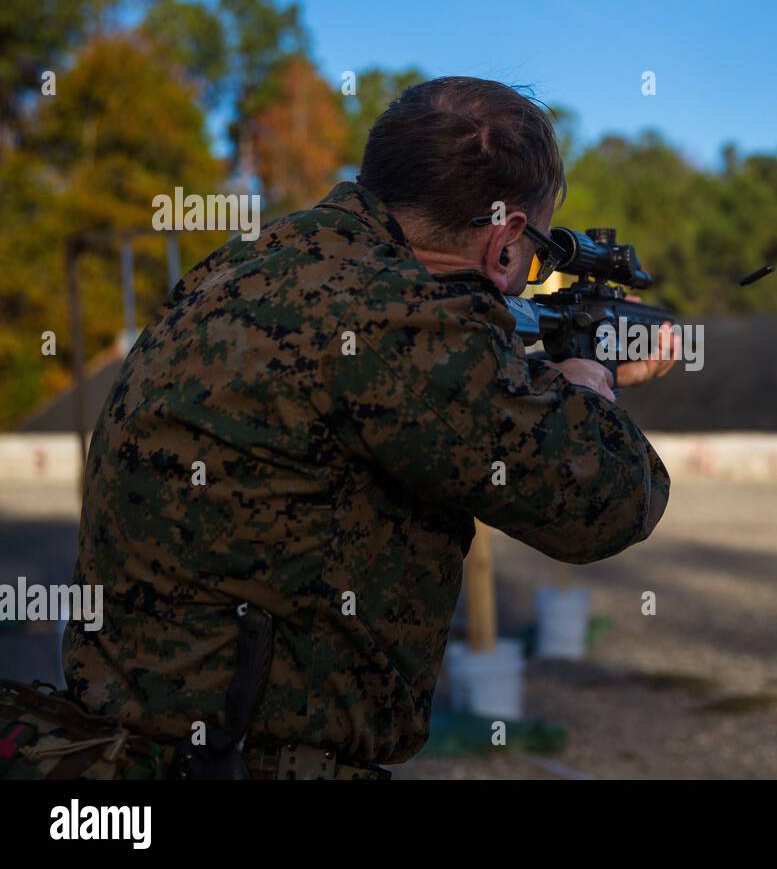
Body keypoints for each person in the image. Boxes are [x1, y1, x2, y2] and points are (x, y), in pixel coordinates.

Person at [59, 76, 674, 779]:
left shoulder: (244, 263)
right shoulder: (404, 320)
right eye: (534, 255)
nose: (527, 272)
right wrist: (590, 381)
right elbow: (611, 503)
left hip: (108, 751)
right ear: (505, 241)